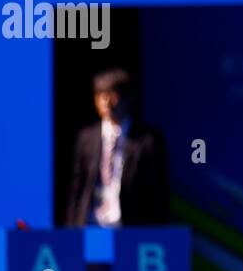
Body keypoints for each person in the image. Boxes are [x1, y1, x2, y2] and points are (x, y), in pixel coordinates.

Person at [65, 68, 170, 228]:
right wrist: (72, 228)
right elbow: (77, 188)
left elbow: (157, 193)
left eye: (112, 95)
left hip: (130, 230)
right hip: (92, 226)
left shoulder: (148, 140)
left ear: (129, 98)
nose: (106, 102)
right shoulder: (86, 137)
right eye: (101, 96)